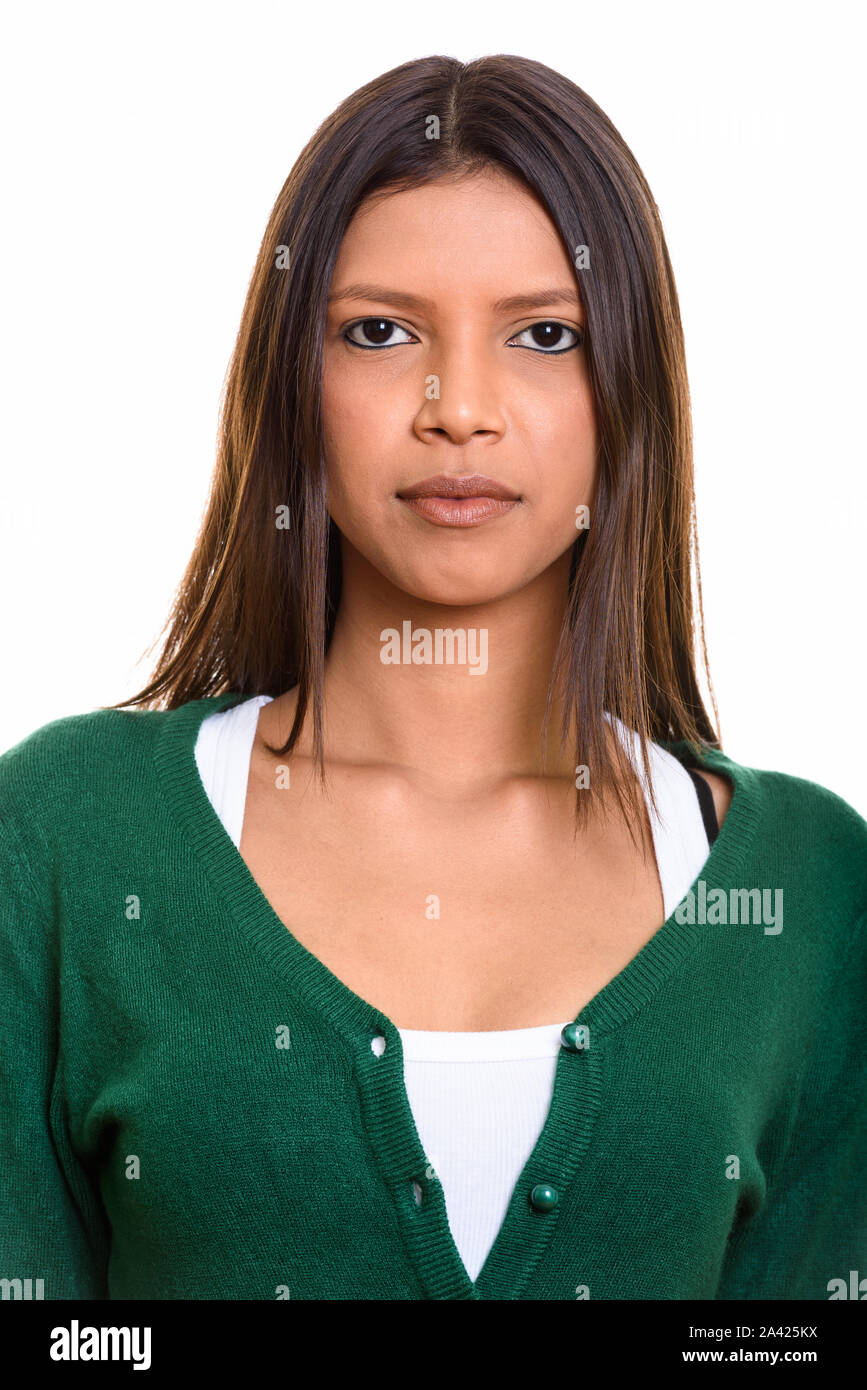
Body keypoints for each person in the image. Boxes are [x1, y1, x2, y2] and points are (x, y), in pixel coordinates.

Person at [1, 53, 864, 1302]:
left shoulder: (809, 891)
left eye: (544, 333)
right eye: (381, 331)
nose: (459, 408)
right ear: (293, 382)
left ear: (630, 392)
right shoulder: (63, 842)